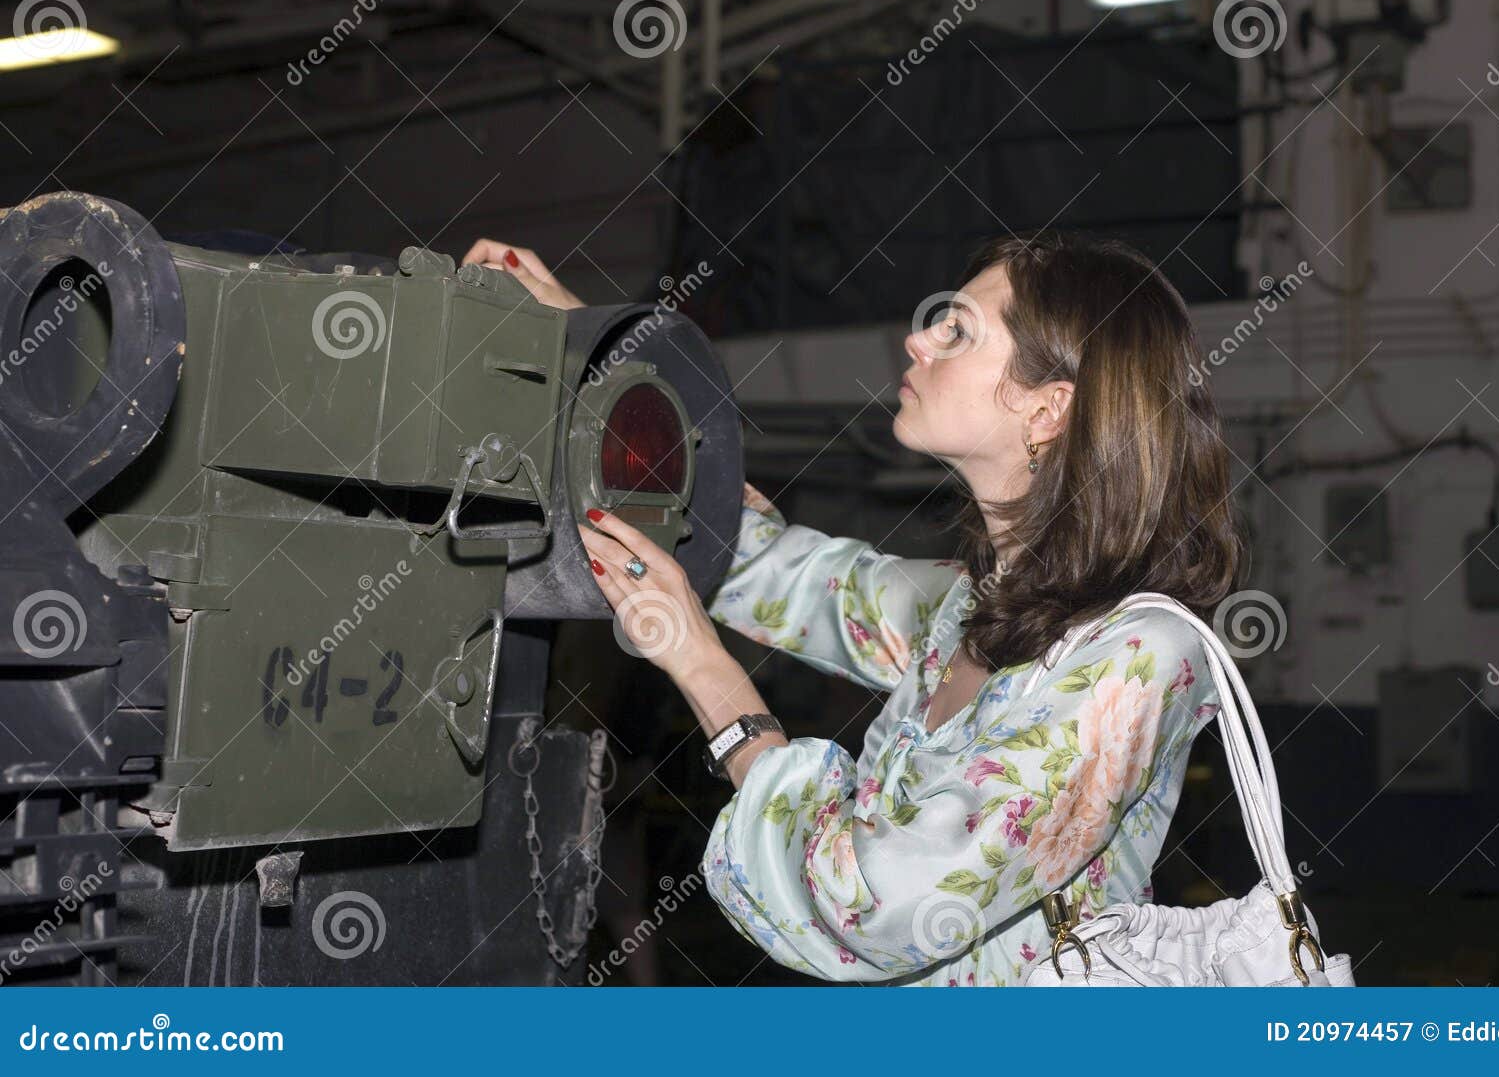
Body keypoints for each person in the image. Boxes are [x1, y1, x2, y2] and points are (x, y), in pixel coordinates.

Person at [461, 230, 1241, 986]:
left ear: (1046, 409)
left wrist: (706, 671)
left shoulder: (1137, 652)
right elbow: (770, 568)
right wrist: (587, 350)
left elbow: (878, 904)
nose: (918, 340)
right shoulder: (971, 606)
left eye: (957, 331)